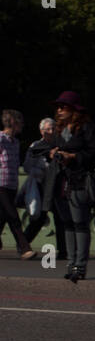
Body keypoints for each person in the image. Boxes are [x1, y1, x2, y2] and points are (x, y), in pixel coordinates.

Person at [49, 91, 95, 282]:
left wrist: (73, 157)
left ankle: (80, 265)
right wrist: (54, 152)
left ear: (74, 110)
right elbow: (53, 149)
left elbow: (94, 151)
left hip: (80, 180)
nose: (59, 110)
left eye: (64, 107)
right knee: (67, 223)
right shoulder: (60, 129)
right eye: (58, 107)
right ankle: (71, 263)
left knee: (80, 223)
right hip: (62, 181)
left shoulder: (87, 128)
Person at [20, 117, 64, 256]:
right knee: (38, 218)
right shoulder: (36, 146)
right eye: (48, 129)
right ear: (41, 131)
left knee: (60, 217)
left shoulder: (60, 144)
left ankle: (63, 250)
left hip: (56, 185)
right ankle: (23, 243)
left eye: (53, 128)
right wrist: (40, 170)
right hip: (42, 186)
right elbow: (27, 166)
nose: (51, 131)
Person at [0, 109, 36, 259]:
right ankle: (24, 248)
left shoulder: (15, 143)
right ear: (13, 122)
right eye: (20, 121)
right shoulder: (1, 138)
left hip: (12, 185)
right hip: (0, 184)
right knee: (13, 216)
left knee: (2, 217)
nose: (23, 125)